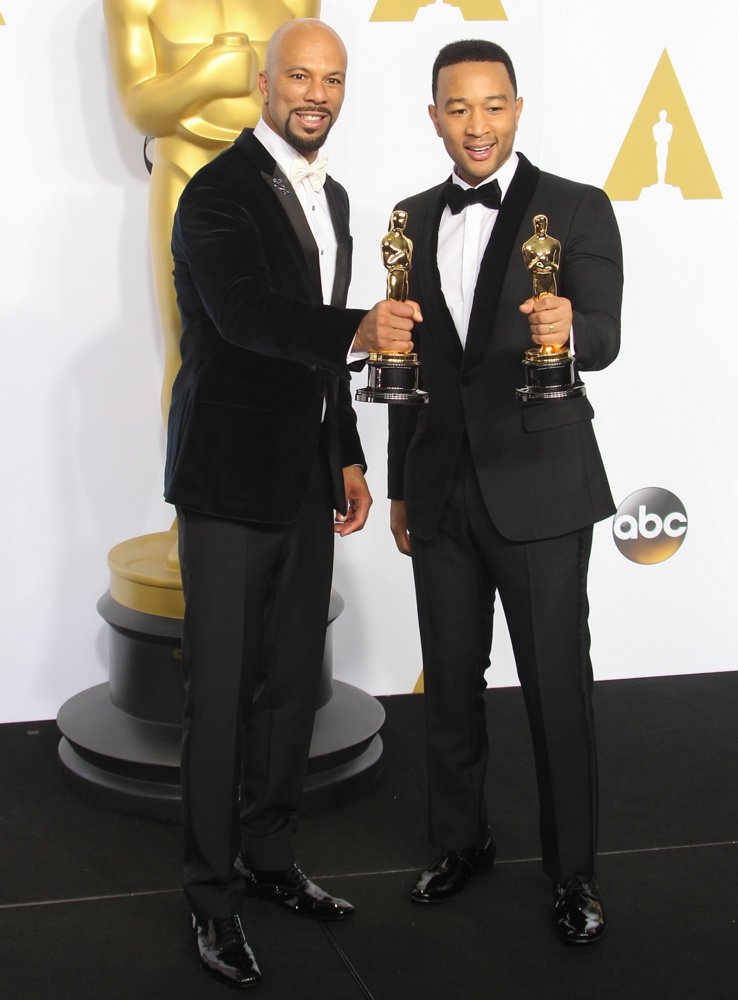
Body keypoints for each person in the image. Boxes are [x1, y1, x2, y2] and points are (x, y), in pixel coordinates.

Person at [165, 18, 420, 989]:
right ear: (263, 82)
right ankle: (210, 900)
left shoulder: (340, 196)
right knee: (221, 700)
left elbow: (313, 355)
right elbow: (247, 320)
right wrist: (360, 324)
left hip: (303, 482)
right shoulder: (216, 194)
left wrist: (345, 452)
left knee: (285, 694)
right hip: (226, 486)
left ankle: (271, 862)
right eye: (300, 77)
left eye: (333, 81)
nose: (316, 94)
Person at [387, 40, 623, 945]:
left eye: (492, 106)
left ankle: (574, 875)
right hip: (442, 492)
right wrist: (406, 482)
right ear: (435, 114)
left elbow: (603, 331)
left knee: (556, 689)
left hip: (541, 491)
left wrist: (572, 326)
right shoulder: (408, 218)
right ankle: (461, 843)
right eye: (457, 107)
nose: (475, 125)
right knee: (449, 685)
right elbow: (409, 359)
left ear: (517, 108)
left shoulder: (575, 207)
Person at [103, 0, 321, 418]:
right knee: (190, 344)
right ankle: (187, 483)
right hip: (184, 170)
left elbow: (306, 92)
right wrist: (204, 76)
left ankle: (295, 478)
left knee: (295, 338)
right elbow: (139, 107)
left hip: (275, 177)